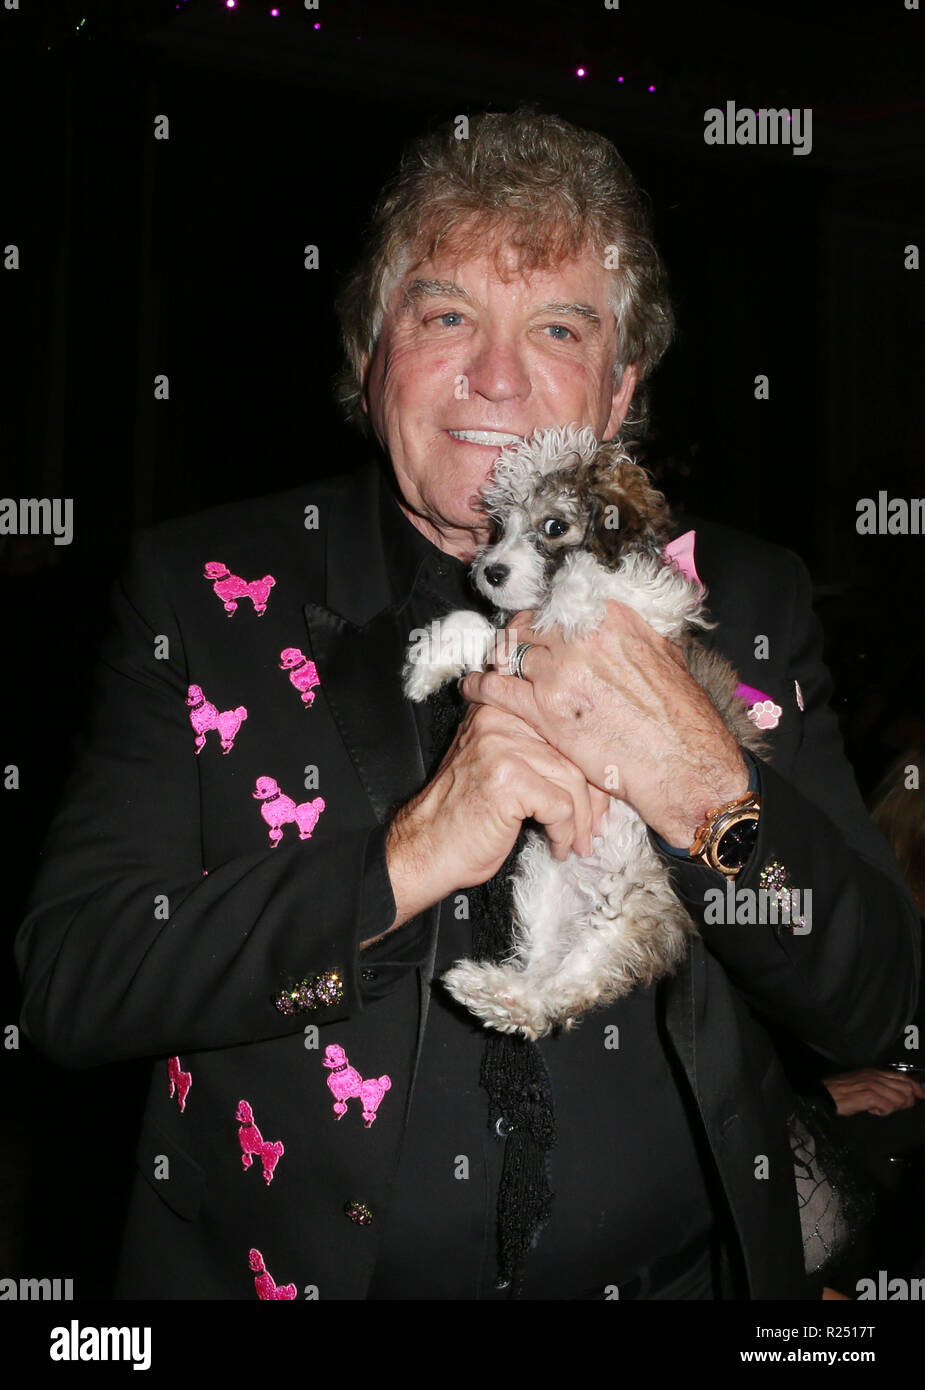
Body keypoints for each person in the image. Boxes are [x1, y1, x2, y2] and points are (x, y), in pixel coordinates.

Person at [15, 108, 920, 1301]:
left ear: (618, 388)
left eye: (558, 325)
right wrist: (403, 859)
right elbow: (72, 981)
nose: (494, 377)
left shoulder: (738, 596)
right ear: (372, 350)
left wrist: (713, 795)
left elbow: (875, 1003)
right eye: (445, 316)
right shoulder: (199, 589)